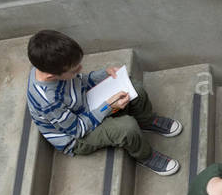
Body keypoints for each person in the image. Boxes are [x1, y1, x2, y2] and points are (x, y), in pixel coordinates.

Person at [25, 29, 181, 176]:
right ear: (51, 76)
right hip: (76, 137)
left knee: (135, 88)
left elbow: (79, 81)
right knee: (127, 127)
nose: (80, 69)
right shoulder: (48, 101)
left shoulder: (47, 65)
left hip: (85, 104)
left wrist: (102, 75)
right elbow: (77, 130)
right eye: (74, 69)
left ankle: (146, 120)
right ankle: (146, 156)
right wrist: (107, 107)